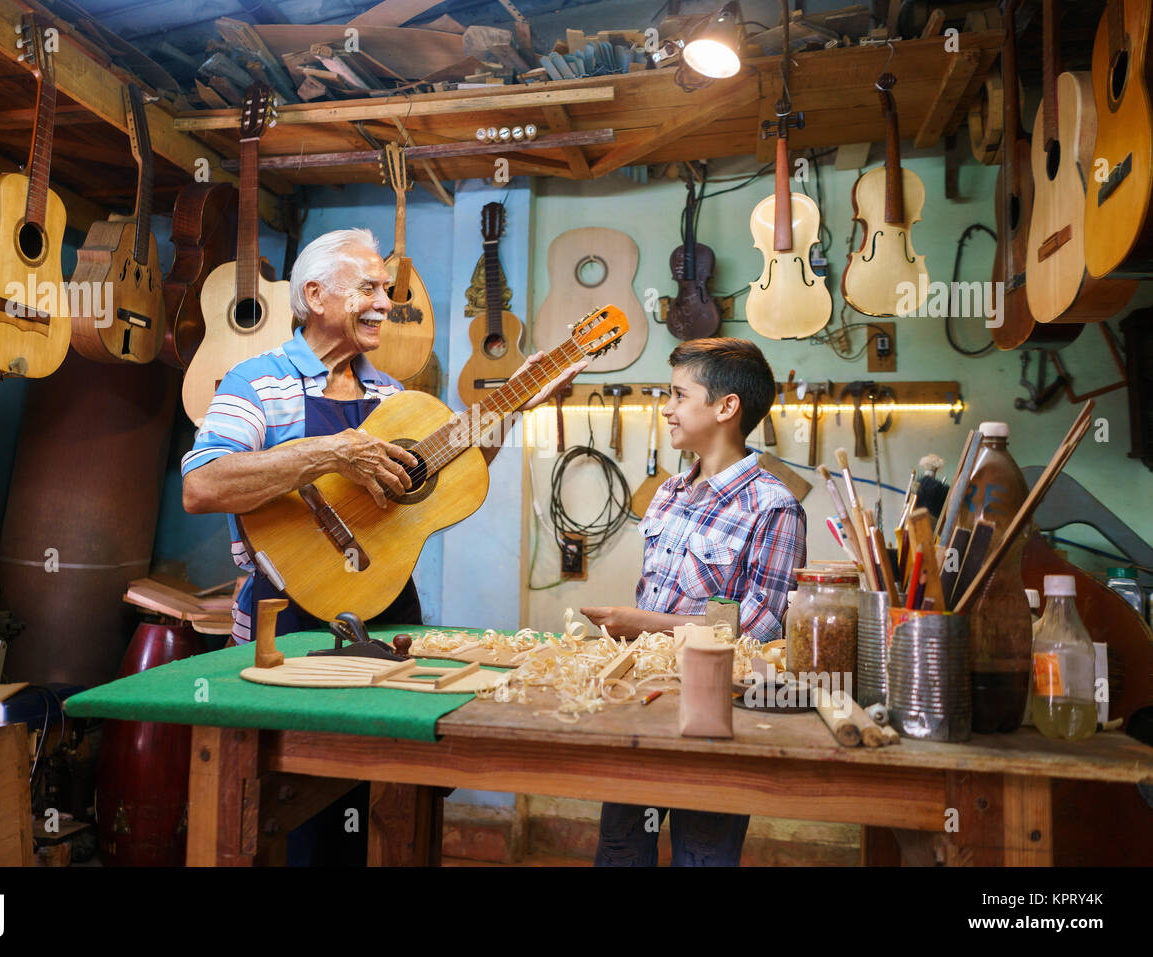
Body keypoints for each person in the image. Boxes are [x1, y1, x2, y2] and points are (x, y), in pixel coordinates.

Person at [182, 228, 583, 864]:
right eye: (367, 288)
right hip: (287, 623)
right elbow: (202, 485)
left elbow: (456, 470)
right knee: (294, 803)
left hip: (387, 610)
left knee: (396, 795)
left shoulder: (393, 398)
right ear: (315, 295)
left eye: (386, 291)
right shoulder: (257, 381)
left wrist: (515, 403)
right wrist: (329, 452)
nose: (385, 303)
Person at [581, 337, 806, 867]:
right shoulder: (668, 493)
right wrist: (641, 632)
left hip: (715, 714)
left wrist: (645, 625)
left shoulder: (774, 507)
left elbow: (757, 630)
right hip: (643, 700)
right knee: (620, 846)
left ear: (726, 407)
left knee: (703, 855)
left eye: (679, 395)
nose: (666, 407)